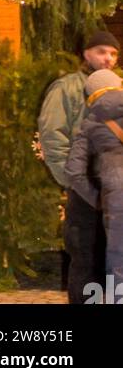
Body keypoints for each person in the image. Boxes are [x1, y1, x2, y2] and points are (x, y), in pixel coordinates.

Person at [39, 29, 120, 303]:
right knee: (85, 258)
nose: (108, 58)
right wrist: (72, 181)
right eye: (101, 52)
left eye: (113, 53)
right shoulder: (67, 88)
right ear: (86, 54)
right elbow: (53, 134)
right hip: (85, 191)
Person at [65, 69, 123, 298]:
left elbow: (74, 171)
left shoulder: (90, 124)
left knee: (119, 264)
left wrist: (98, 200)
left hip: (117, 198)